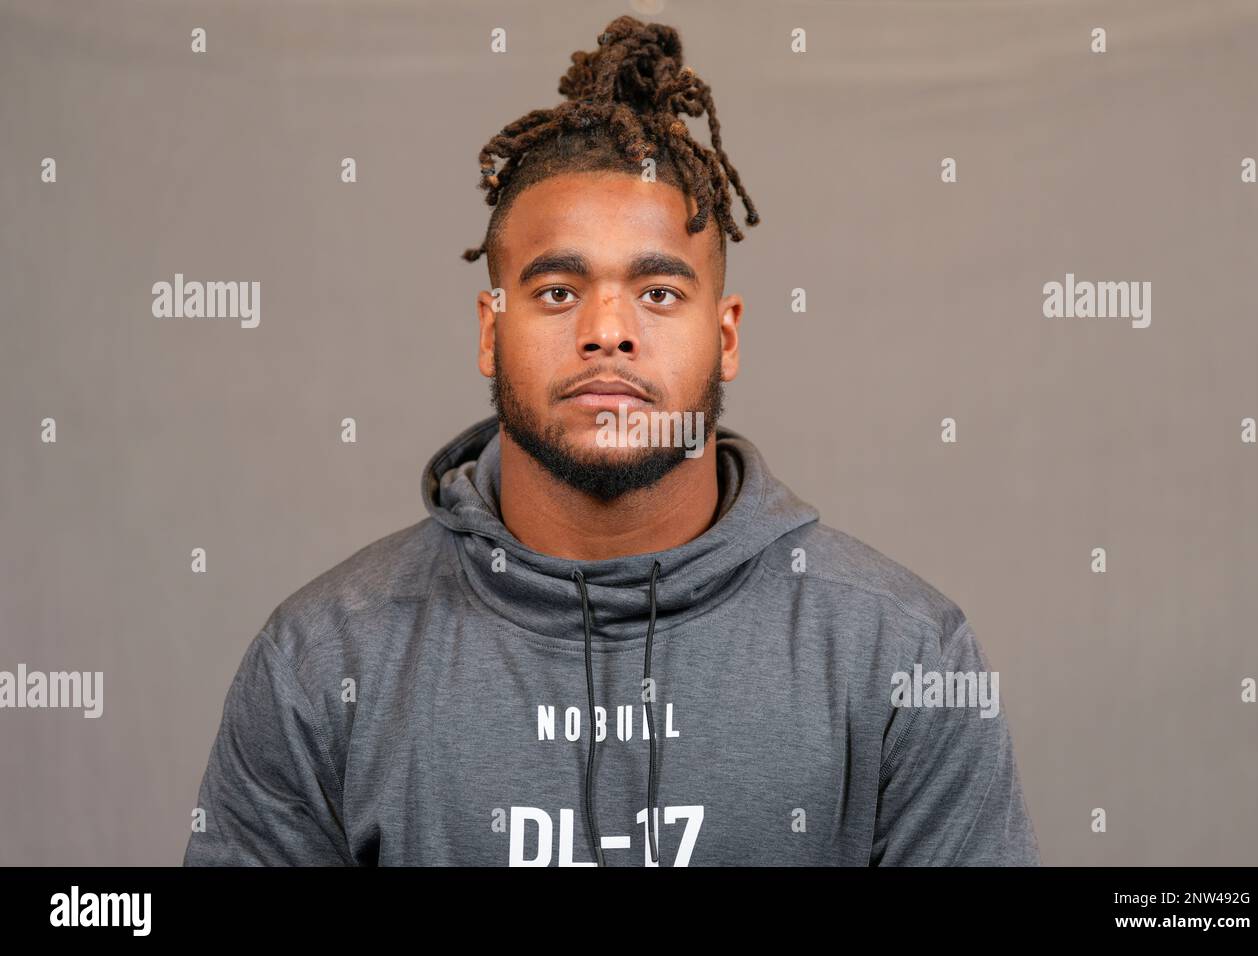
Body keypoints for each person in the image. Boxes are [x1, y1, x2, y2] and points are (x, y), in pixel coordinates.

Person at [184, 15, 1039, 867]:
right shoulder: (323, 661)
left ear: (727, 333)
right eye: (557, 291)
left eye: (659, 294)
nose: (607, 331)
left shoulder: (902, 657)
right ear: (490, 329)